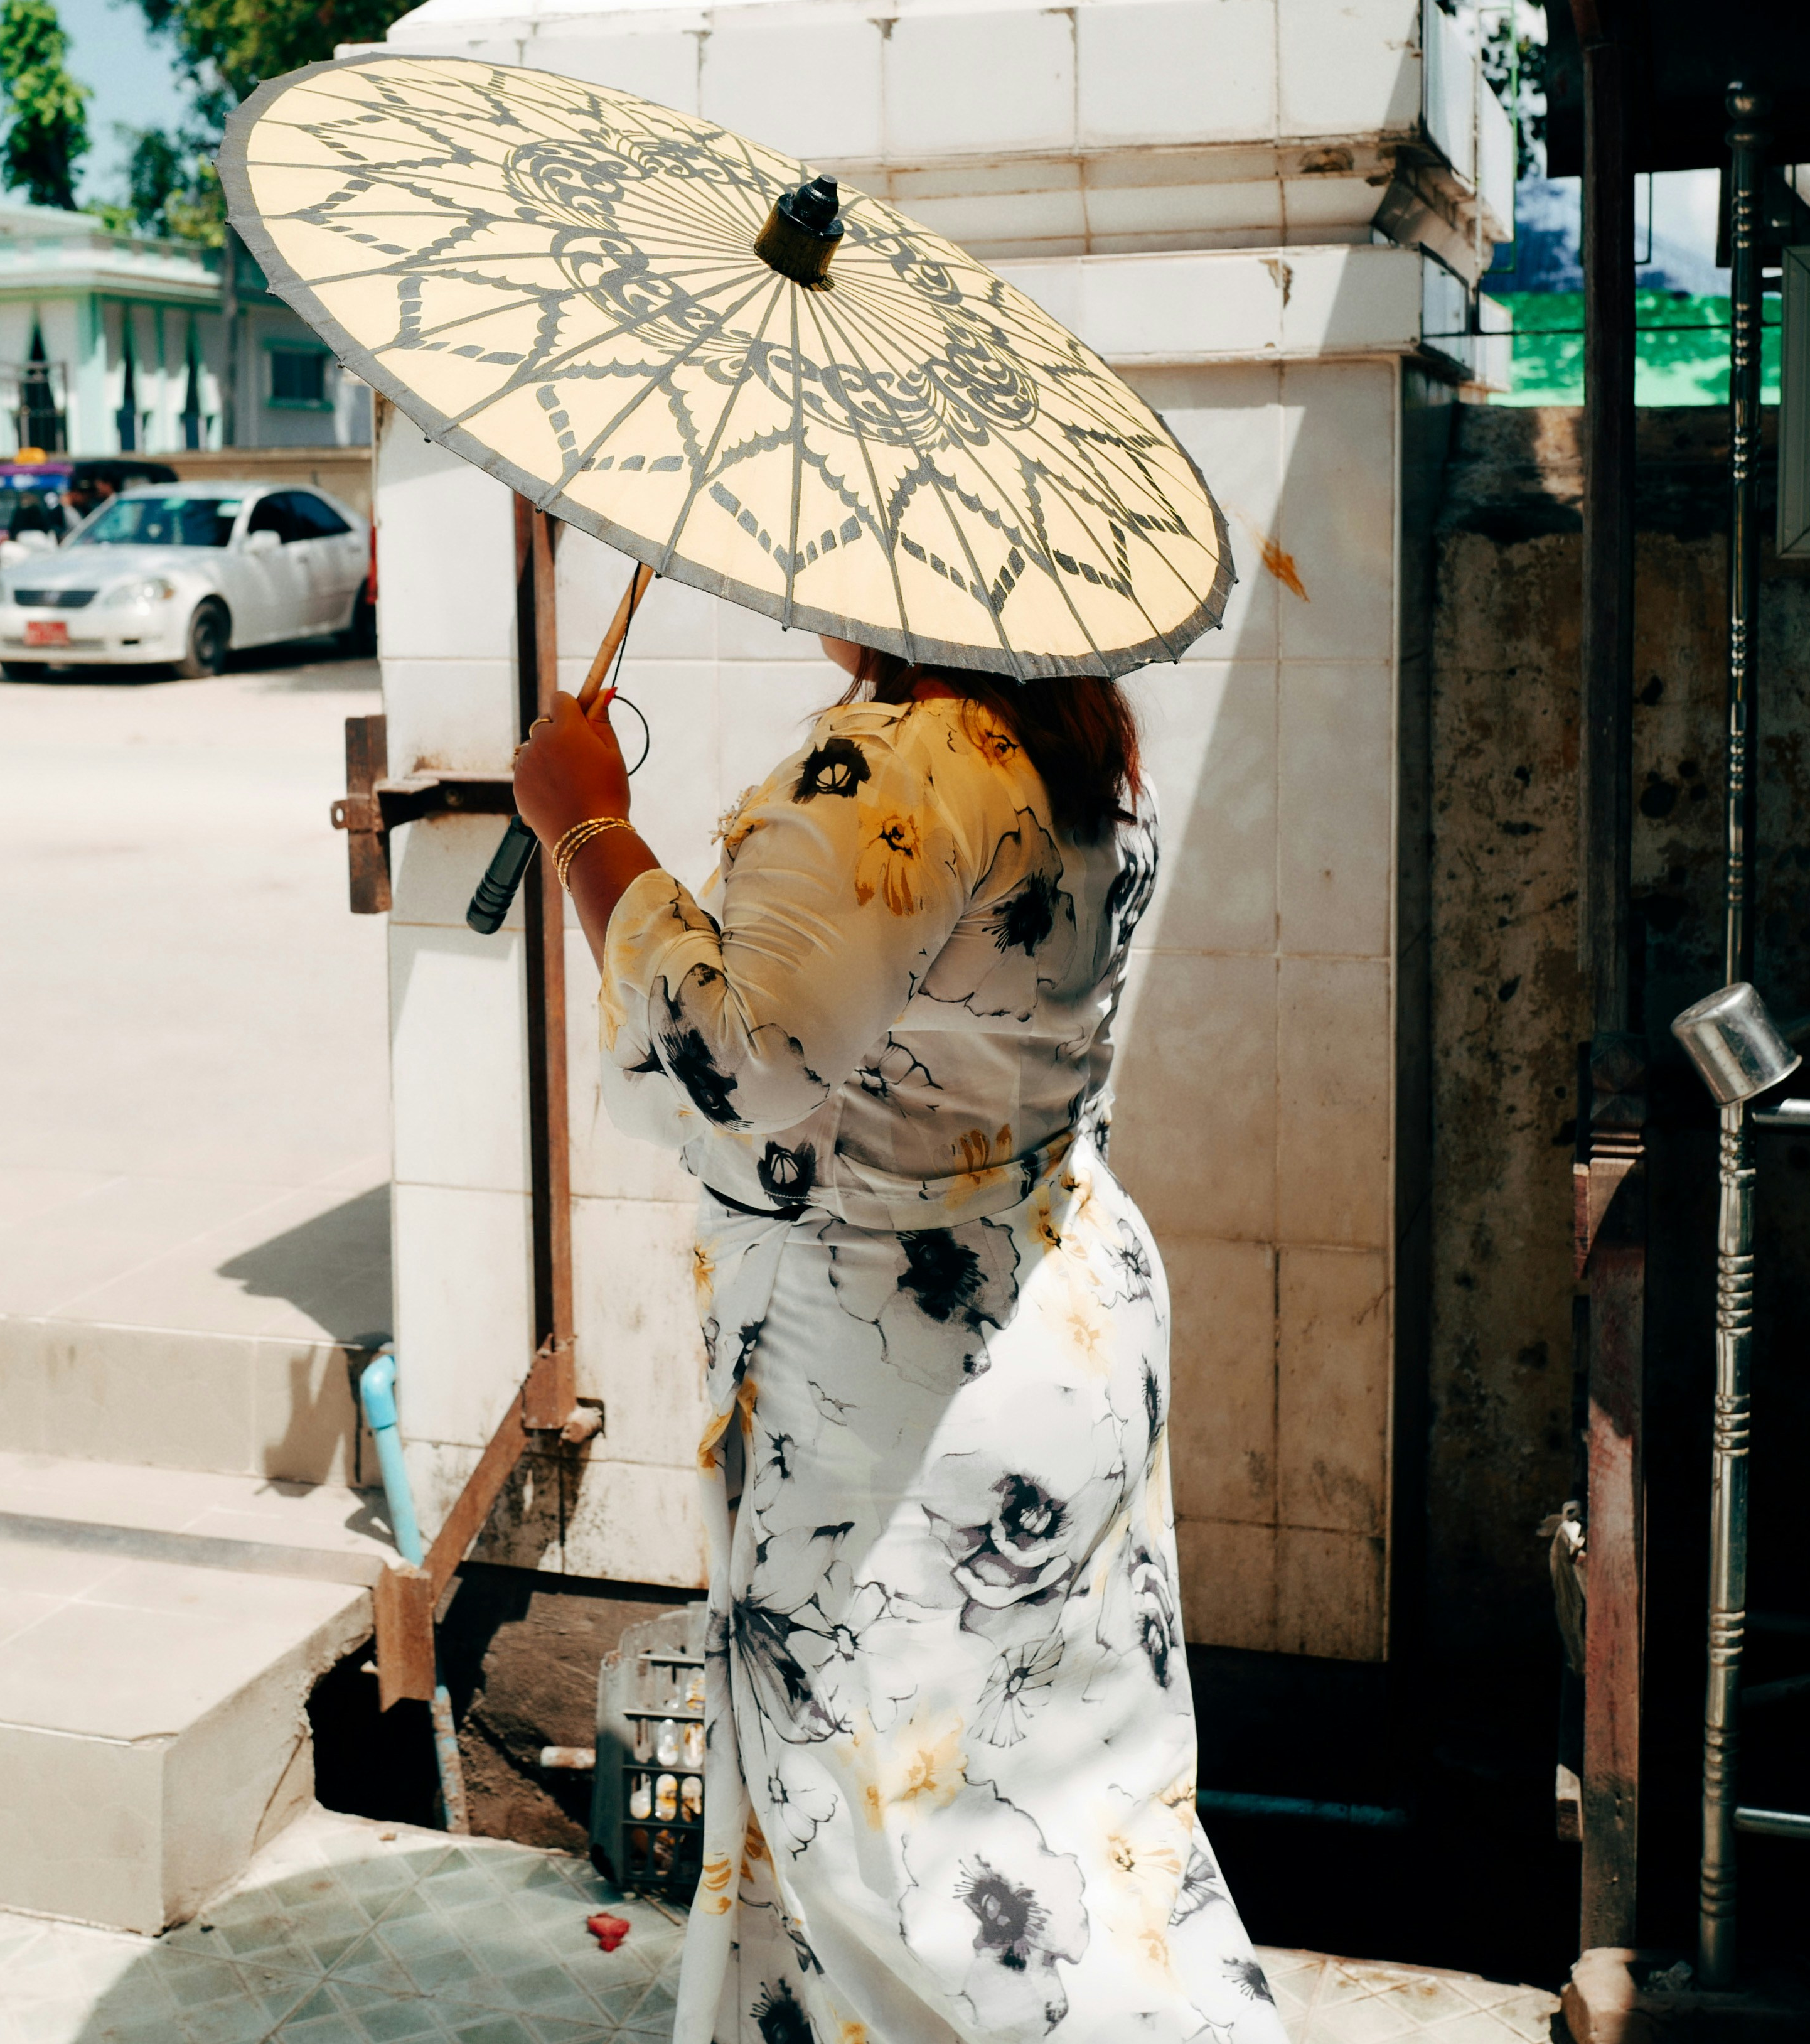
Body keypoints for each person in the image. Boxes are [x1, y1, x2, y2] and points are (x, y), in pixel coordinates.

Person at [513, 634, 1287, 2044]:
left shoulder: (895, 765)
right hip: (1052, 1321)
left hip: (894, 1387)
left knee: (894, 1849)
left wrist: (585, 822)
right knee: (1076, 1815)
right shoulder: (1088, 756)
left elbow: (740, 1059)